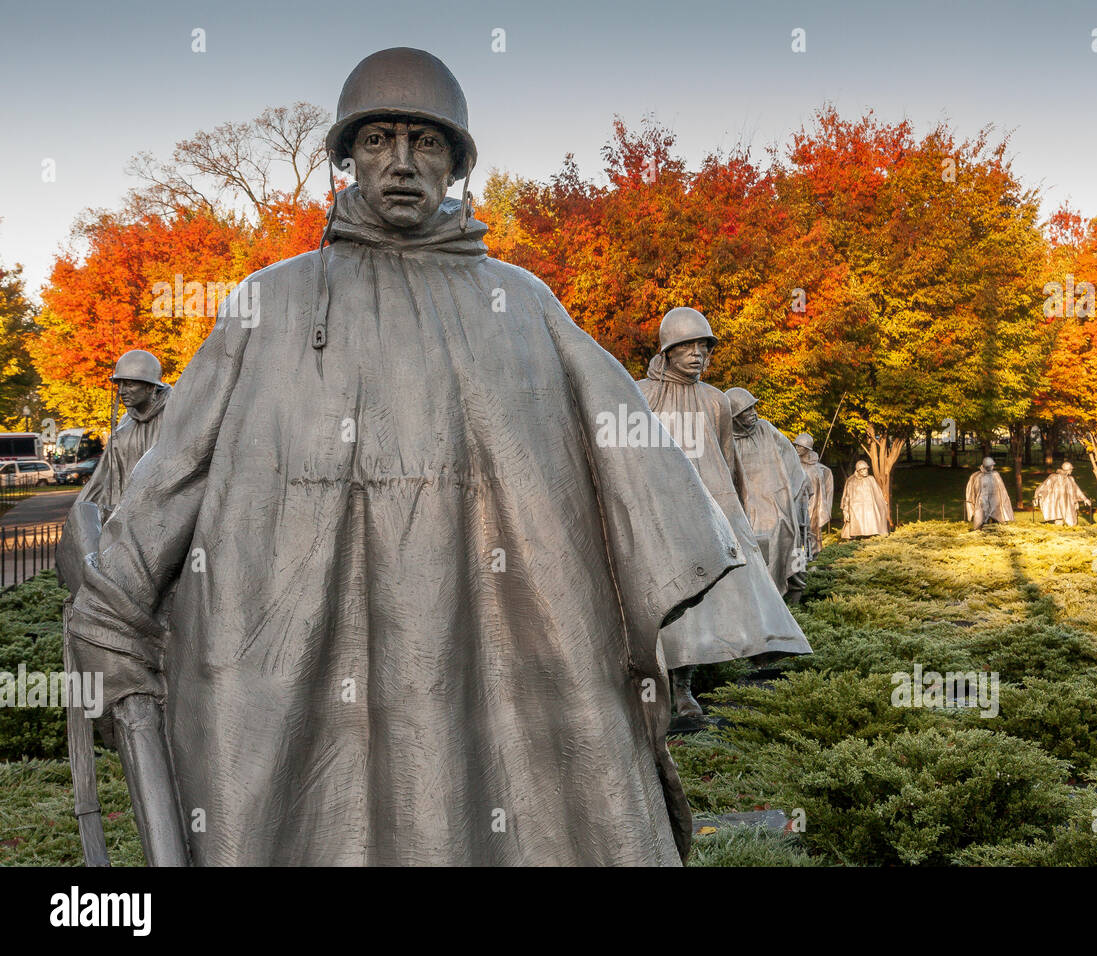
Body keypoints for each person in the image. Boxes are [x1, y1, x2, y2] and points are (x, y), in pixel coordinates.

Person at [66, 48, 746, 866]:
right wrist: (114, 603)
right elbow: (175, 472)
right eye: (378, 139)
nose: (399, 163)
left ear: (457, 165)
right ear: (345, 157)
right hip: (293, 668)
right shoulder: (269, 305)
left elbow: (633, 486)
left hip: (492, 669)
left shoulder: (522, 306)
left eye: (425, 143)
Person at [637, 309, 809, 722]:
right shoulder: (639, 394)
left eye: (704, 347)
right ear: (668, 350)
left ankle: (684, 692)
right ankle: (648, 688)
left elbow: (728, 462)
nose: (698, 355)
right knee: (661, 598)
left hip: (709, 508)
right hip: (658, 509)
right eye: (688, 347)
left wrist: (735, 512)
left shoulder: (715, 401)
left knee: (704, 600)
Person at [725, 387, 810, 599]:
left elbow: (791, 460)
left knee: (791, 548)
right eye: (746, 411)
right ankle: (767, 600)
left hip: (779, 502)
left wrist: (792, 495)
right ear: (734, 416)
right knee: (761, 551)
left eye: (754, 408)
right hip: (749, 507)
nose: (753, 413)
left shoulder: (765, 428)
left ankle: (795, 597)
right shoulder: (726, 439)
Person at [76, 350, 171, 518]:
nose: (121, 391)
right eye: (119, 384)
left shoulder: (173, 415)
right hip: (123, 513)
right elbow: (104, 477)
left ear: (150, 386)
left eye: (129, 384)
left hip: (162, 513)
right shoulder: (125, 423)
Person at [793, 433, 833, 559]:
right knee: (795, 531)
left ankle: (814, 556)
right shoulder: (792, 465)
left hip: (812, 505)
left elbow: (821, 490)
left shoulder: (816, 469)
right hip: (795, 504)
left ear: (807, 449)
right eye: (796, 446)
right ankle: (797, 560)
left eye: (800, 446)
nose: (797, 448)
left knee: (812, 530)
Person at [840, 460, 890, 539]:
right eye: (863, 469)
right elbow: (846, 497)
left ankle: (872, 535)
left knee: (871, 521)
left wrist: (883, 502)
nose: (865, 471)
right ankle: (858, 537)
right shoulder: (851, 481)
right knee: (857, 526)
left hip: (869, 508)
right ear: (858, 471)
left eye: (866, 469)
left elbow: (878, 493)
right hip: (856, 509)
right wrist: (845, 511)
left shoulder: (871, 479)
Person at [1033, 461, 1091, 526]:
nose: (1071, 471)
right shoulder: (1053, 477)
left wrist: (1085, 499)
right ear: (1068, 470)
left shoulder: (1070, 479)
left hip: (1067, 501)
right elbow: (1043, 486)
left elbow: (1077, 490)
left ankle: (1070, 531)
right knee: (1058, 519)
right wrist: (1036, 497)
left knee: (1072, 521)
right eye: (1071, 469)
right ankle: (1059, 531)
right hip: (1056, 501)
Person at [965, 457, 1015, 530]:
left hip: (995, 500)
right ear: (986, 466)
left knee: (997, 517)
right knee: (980, 517)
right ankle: (980, 530)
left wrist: (1003, 501)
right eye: (991, 466)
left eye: (992, 465)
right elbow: (972, 490)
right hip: (982, 501)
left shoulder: (995, 475)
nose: (992, 467)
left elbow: (1001, 489)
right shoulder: (977, 476)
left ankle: (997, 530)